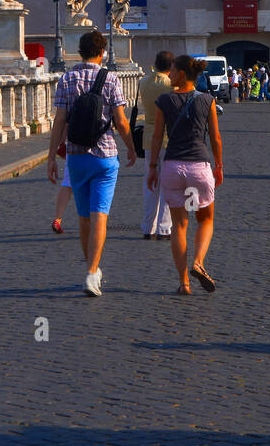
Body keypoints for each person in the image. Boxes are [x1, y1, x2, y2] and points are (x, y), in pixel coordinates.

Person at [47, 28, 136, 296]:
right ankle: (91, 273)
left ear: (80, 52)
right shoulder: (111, 79)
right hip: (105, 156)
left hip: (76, 156)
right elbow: (120, 121)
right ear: (102, 53)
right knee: (101, 216)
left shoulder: (67, 78)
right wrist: (132, 147)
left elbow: (59, 121)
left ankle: (92, 269)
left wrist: (51, 156)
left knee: (84, 218)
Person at [147, 55, 223, 295]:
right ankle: (198, 262)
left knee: (179, 226)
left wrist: (152, 166)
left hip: (172, 167)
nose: (168, 74)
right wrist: (218, 166)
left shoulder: (164, 100)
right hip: (199, 166)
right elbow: (215, 138)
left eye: (171, 70)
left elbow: (157, 137)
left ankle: (184, 283)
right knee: (206, 219)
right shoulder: (208, 100)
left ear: (181, 74)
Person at [138, 50, 174, 239]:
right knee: (167, 184)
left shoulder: (143, 82)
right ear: (171, 67)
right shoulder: (171, 85)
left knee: (150, 183)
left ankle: (147, 226)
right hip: (167, 136)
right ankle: (164, 227)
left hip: (148, 136)